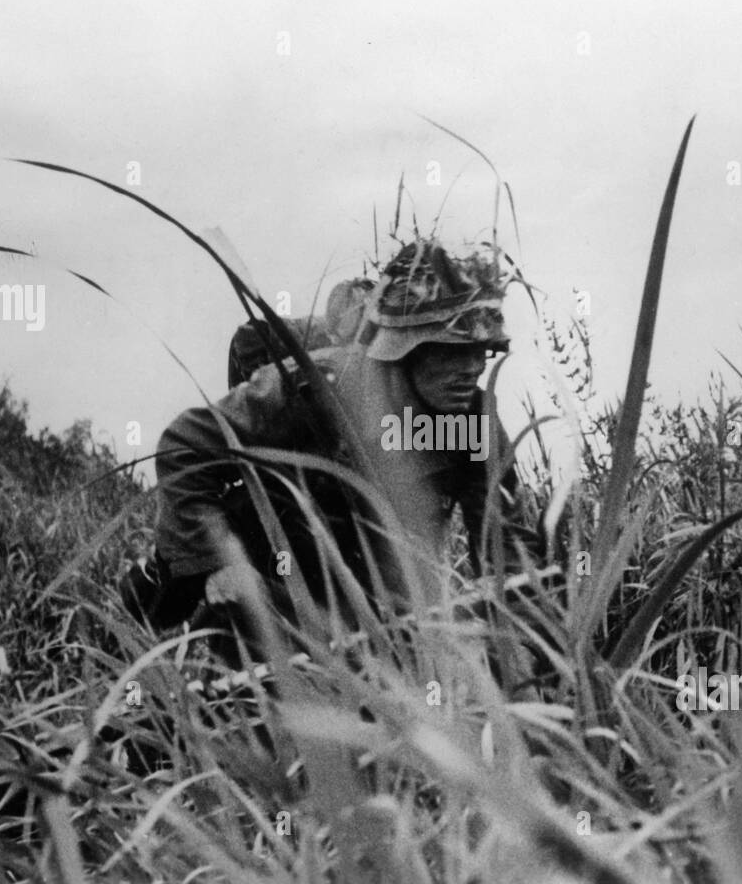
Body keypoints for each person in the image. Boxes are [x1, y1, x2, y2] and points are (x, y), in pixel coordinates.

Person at [121, 238, 544, 666]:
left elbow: (502, 536)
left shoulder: (472, 421)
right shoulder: (317, 385)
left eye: (480, 353)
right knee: (262, 715)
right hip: (274, 584)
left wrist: (520, 626)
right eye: (454, 353)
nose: (473, 369)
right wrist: (221, 562)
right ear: (406, 349)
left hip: (382, 605)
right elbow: (186, 444)